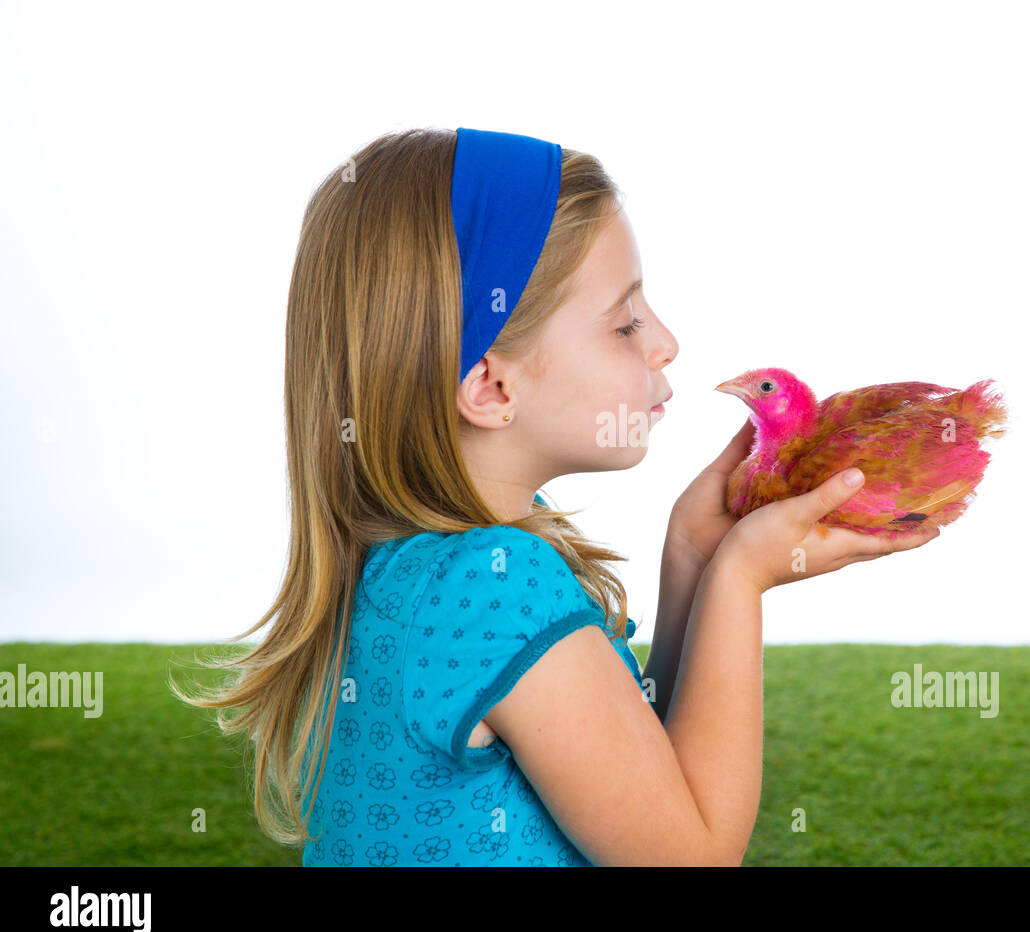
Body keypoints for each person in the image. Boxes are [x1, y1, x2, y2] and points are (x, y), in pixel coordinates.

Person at [170, 126, 939, 867]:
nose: (666, 342)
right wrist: (741, 580)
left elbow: (644, 774)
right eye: (625, 323)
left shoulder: (410, 566)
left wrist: (694, 560)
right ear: (491, 386)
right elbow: (693, 853)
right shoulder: (494, 588)